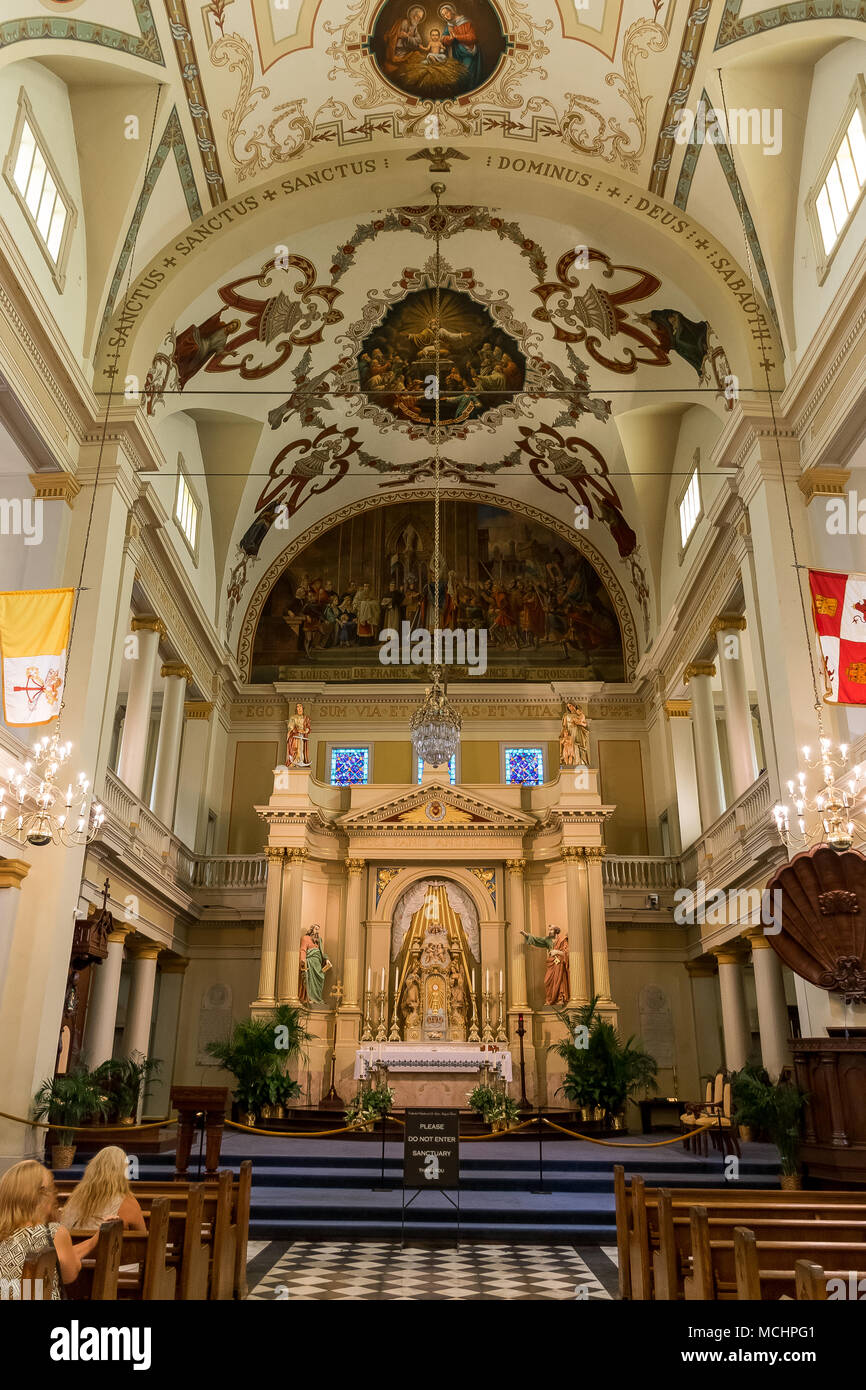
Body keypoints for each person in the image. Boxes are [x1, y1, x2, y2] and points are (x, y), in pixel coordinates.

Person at [0, 1160, 99, 1299]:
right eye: (52, 1189)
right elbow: (70, 1274)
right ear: (41, 1196)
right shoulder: (52, 1233)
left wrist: (90, 1243)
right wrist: (93, 1243)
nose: (55, 1195)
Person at [61, 1145, 146, 1234]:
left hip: (73, 1247)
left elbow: (62, 1231)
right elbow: (142, 1237)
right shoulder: (128, 1203)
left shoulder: (75, 1198)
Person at [522, 925, 570, 1006]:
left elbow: (567, 953)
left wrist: (557, 952)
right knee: (547, 981)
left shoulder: (562, 940)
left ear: (556, 931)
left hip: (559, 963)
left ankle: (559, 998)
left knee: (559, 980)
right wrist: (526, 935)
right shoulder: (547, 940)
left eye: (551, 930)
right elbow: (537, 940)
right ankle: (550, 999)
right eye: (549, 930)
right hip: (551, 963)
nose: (549, 931)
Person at [299, 925, 332, 1004]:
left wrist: (327, 960)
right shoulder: (305, 938)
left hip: (318, 965)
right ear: (311, 929)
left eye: (318, 930)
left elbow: (322, 952)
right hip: (310, 963)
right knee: (309, 980)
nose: (317, 931)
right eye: (316, 929)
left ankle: (317, 998)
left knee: (321, 977)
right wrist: (303, 960)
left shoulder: (319, 940)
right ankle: (310, 998)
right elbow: (303, 950)